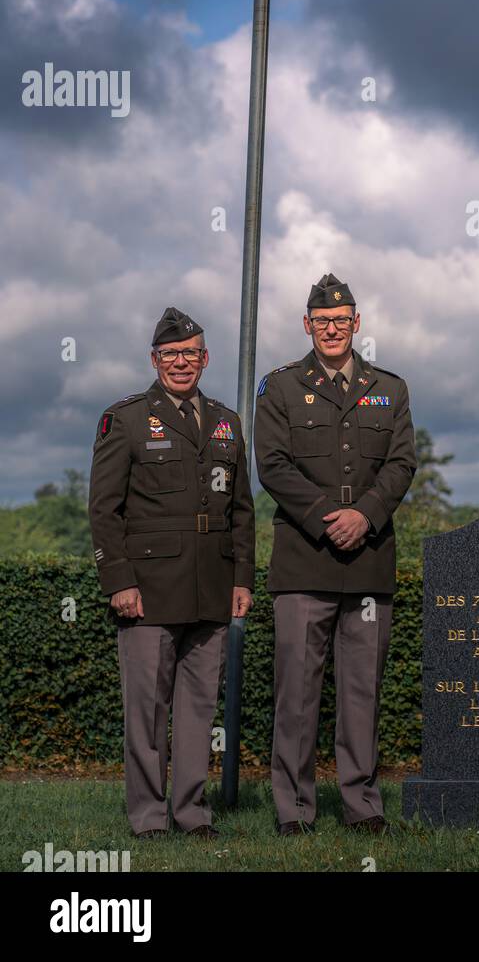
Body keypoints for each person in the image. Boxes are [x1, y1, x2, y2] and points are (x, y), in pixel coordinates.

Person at [254, 273, 416, 836]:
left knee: (361, 694)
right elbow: (272, 465)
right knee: (296, 696)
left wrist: (364, 515)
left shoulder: (390, 388)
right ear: (307, 325)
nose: (331, 328)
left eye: (340, 320)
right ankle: (294, 810)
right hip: (304, 561)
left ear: (356, 323)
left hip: (369, 561)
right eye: (321, 321)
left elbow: (401, 465)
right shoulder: (278, 388)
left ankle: (362, 804)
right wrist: (331, 518)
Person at [88, 305, 255, 838]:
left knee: (198, 711)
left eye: (190, 354)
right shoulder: (127, 418)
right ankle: (146, 816)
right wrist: (118, 581)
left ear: (205, 359)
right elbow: (103, 509)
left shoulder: (227, 422)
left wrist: (242, 580)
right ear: (154, 359)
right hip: (149, 591)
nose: (181, 363)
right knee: (147, 712)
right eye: (170, 355)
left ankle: (190, 812)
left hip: (212, 588)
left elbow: (244, 511)